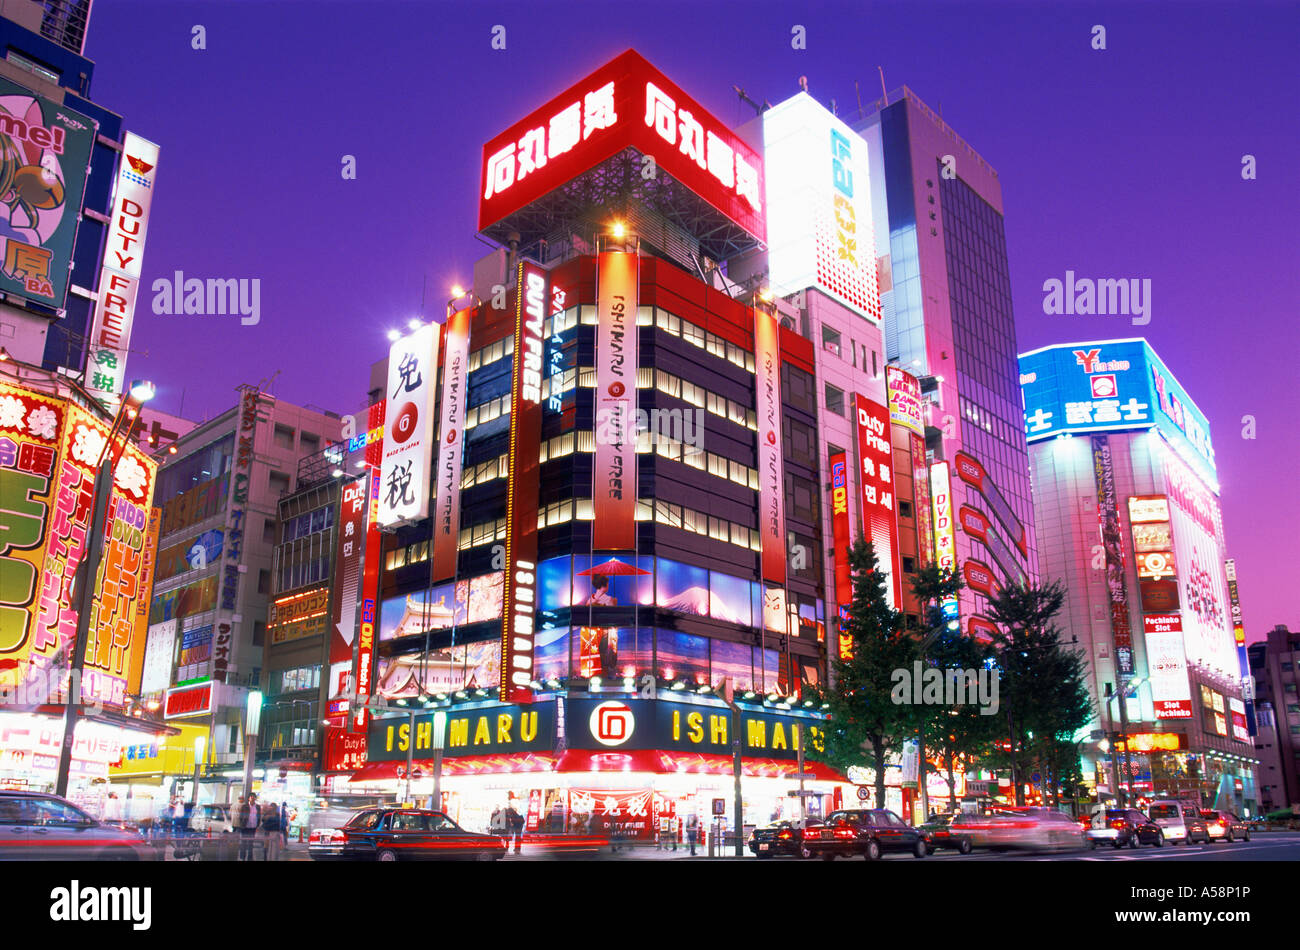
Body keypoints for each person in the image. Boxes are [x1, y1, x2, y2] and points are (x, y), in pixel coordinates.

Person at [236, 794, 261, 861]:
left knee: (251, 843)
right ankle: (242, 857)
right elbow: (241, 816)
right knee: (243, 843)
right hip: (245, 827)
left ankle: (250, 857)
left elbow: (259, 816)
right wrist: (242, 824)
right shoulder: (245, 806)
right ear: (249, 798)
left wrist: (257, 825)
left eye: (254, 798)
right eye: (251, 798)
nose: (252, 799)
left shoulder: (257, 807)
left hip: (253, 827)